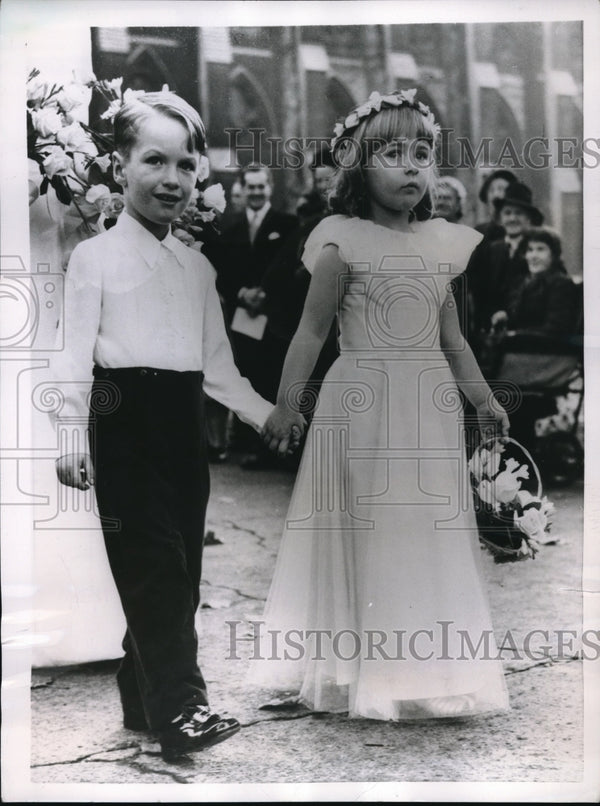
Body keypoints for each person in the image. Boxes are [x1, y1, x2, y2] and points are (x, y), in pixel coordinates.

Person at [249, 90, 510, 720]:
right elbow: (310, 332)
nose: (412, 166)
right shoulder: (342, 243)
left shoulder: (439, 247)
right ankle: (368, 667)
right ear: (358, 168)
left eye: (422, 152)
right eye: (392, 153)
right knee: (375, 528)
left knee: (425, 529)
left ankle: (428, 664)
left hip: (427, 405)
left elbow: (452, 341)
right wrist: (287, 404)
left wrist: (483, 399)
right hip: (362, 403)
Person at [50, 91, 277, 760]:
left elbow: (219, 369)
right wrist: (69, 435)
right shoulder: (94, 258)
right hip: (122, 422)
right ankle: (182, 709)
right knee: (155, 570)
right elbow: (72, 357)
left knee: (183, 569)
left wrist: (269, 417)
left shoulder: (197, 267)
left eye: (185, 164)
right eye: (154, 160)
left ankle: (140, 691)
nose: (172, 179)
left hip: (183, 427)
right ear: (120, 165)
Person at [213, 163, 297, 467]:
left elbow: (291, 266)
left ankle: (275, 447)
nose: (257, 192)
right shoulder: (230, 228)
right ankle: (250, 442)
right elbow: (221, 271)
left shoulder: (288, 224)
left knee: (274, 375)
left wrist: (265, 293)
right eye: (251, 187)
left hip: (275, 316)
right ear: (243, 189)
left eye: (261, 186)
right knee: (247, 373)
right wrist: (241, 293)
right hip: (243, 316)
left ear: (270, 187)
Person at [487, 226, 580, 448]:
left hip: (545, 357)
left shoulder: (560, 283)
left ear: (554, 255)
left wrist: (514, 335)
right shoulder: (523, 283)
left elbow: (556, 329)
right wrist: (505, 317)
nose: (533, 255)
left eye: (540, 249)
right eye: (529, 250)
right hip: (524, 353)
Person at [463, 181, 543, 358]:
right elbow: (479, 289)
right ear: (500, 218)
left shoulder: (538, 250)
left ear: (529, 218)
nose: (512, 218)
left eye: (518, 213)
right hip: (490, 333)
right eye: (507, 213)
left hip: (524, 333)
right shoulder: (492, 249)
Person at [474, 168, 518, 242]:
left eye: (501, 189)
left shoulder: (520, 231)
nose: (495, 194)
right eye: (491, 190)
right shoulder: (479, 234)